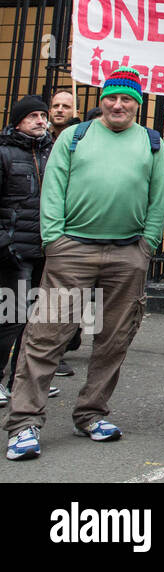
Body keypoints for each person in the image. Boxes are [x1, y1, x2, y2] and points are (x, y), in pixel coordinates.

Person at [5, 66, 164, 461]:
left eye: (127, 99)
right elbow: (53, 190)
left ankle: (91, 413)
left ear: (137, 104)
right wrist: (55, 241)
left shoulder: (151, 142)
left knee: (114, 339)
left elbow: (158, 198)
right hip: (72, 250)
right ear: (102, 101)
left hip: (127, 252)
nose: (118, 104)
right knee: (46, 335)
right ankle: (24, 423)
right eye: (112, 97)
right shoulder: (74, 137)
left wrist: (145, 246)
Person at [0, 97, 58, 406]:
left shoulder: (53, 152)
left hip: (44, 248)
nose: (40, 120)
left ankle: (19, 381)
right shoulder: (4, 153)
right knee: (10, 318)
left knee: (36, 320)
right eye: (32, 116)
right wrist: (4, 245)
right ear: (18, 121)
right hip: (13, 251)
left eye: (42, 115)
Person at [46, 91, 84, 376]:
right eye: (55, 106)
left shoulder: (78, 138)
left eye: (65, 106)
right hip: (41, 230)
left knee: (69, 299)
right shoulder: (40, 139)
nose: (59, 110)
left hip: (70, 230)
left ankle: (62, 345)